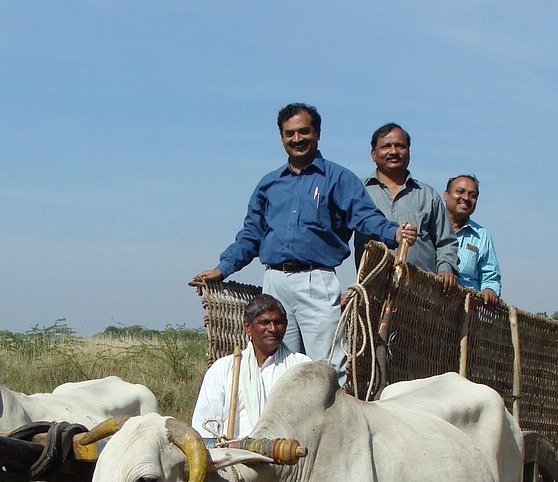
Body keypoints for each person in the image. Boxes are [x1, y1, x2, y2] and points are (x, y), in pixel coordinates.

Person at [191, 103, 416, 377]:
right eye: (290, 134)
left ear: (317, 133)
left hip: (316, 280)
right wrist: (223, 268)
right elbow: (251, 234)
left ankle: (331, 408)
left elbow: (365, 217)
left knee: (327, 366)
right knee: (276, 364)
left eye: (303, 131)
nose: (297, 139)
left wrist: (393, 232)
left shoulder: (338, 178)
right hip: (275, 282)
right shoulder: (269, 184)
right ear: (281, 137)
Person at [192, 294, 311, 440]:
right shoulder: (223, 369)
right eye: (264, 323)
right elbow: (205, 428)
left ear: (286, 325)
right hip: (233, 452)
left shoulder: (302, 368)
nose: (272, 329)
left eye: (278, 322)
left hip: (288, 451)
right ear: (248, 327)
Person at [356, 123, 458, 295]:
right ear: (373, 153)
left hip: (421, 296)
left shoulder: (428, 195)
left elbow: (446, 241)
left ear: (409, 151)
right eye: (386, 146)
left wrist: (446, 269)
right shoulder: (358, 192)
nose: (393, 151)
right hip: (372, 292)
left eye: (400, 146)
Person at [444, 174, 502, 307]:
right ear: (446, 195)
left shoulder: (482, 236)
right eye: (460, 191)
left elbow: (490, 276)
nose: (466, 198)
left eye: (472, 195)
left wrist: (490, 290)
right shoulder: (429, 226)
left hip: (465, 310)